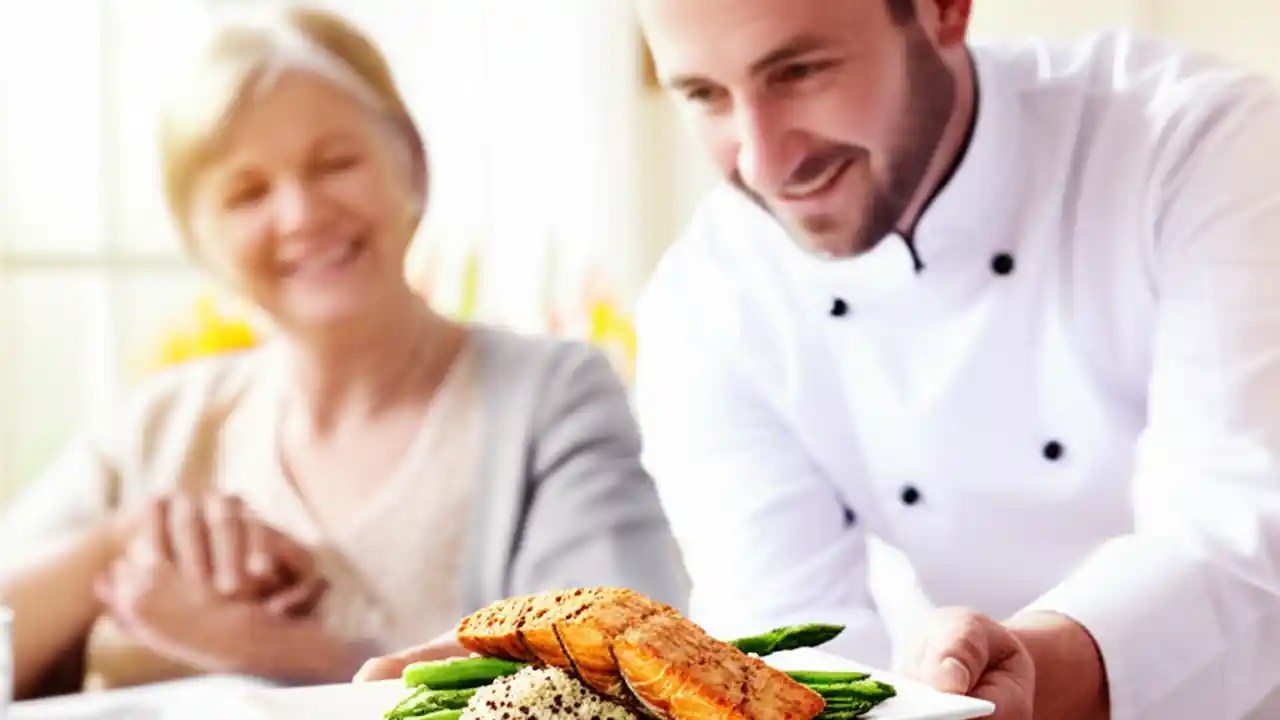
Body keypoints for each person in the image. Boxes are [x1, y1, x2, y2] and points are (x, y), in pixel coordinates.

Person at [0, 7, 686, 700]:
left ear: (411, 167)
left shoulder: (551, 400)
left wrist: (266, 646)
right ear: (199, 238)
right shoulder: (159, 429)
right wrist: (117, 547)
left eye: (334, 164)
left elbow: (615, 678)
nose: (300, 214)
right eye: (247, 193)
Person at [632, 0, 1280, 718]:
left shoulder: (1196, 142)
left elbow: (1243, 542)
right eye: (703, 95)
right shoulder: (706, 298)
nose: (764, 162)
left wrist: (1024, 670)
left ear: (945, 10)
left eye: (800, 71)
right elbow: (783, 643)